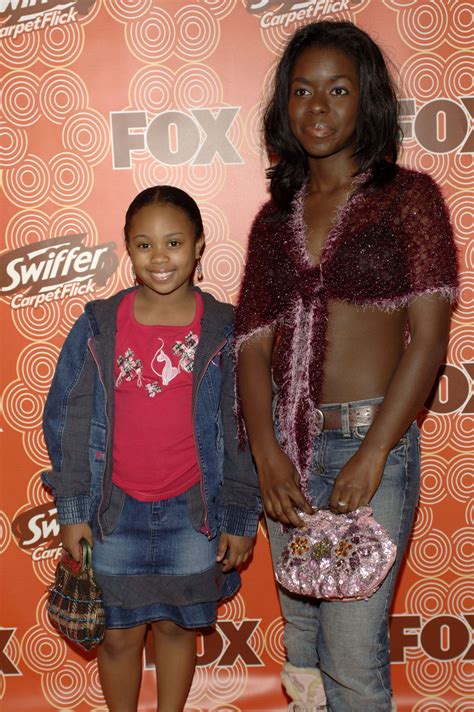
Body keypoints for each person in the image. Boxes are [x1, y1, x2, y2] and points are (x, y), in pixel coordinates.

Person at [235, 20, 458, 712]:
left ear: (368, 100)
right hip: (289, 454)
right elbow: (252, 346)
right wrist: (267, 457)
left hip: (372, 447)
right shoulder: (273, 221)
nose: (318, 106)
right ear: (284, 103)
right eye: (302, 90)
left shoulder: (409, 199)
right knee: (302, 647)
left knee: (353, 661)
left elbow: (429, 340)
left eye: (338, 90)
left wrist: (373, 453)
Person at [42, 185, 260, 712]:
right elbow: (68, 417)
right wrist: (73, 510)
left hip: (194, 513)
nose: (159, 257)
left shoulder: (225, 329)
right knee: (117, 637)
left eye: (173, 243)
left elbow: (243, 428)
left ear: (200, 245)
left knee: (176, 629)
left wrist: (238, 514)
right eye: (144, 245)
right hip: (113, 513)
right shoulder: (99, 324)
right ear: (128, 249)